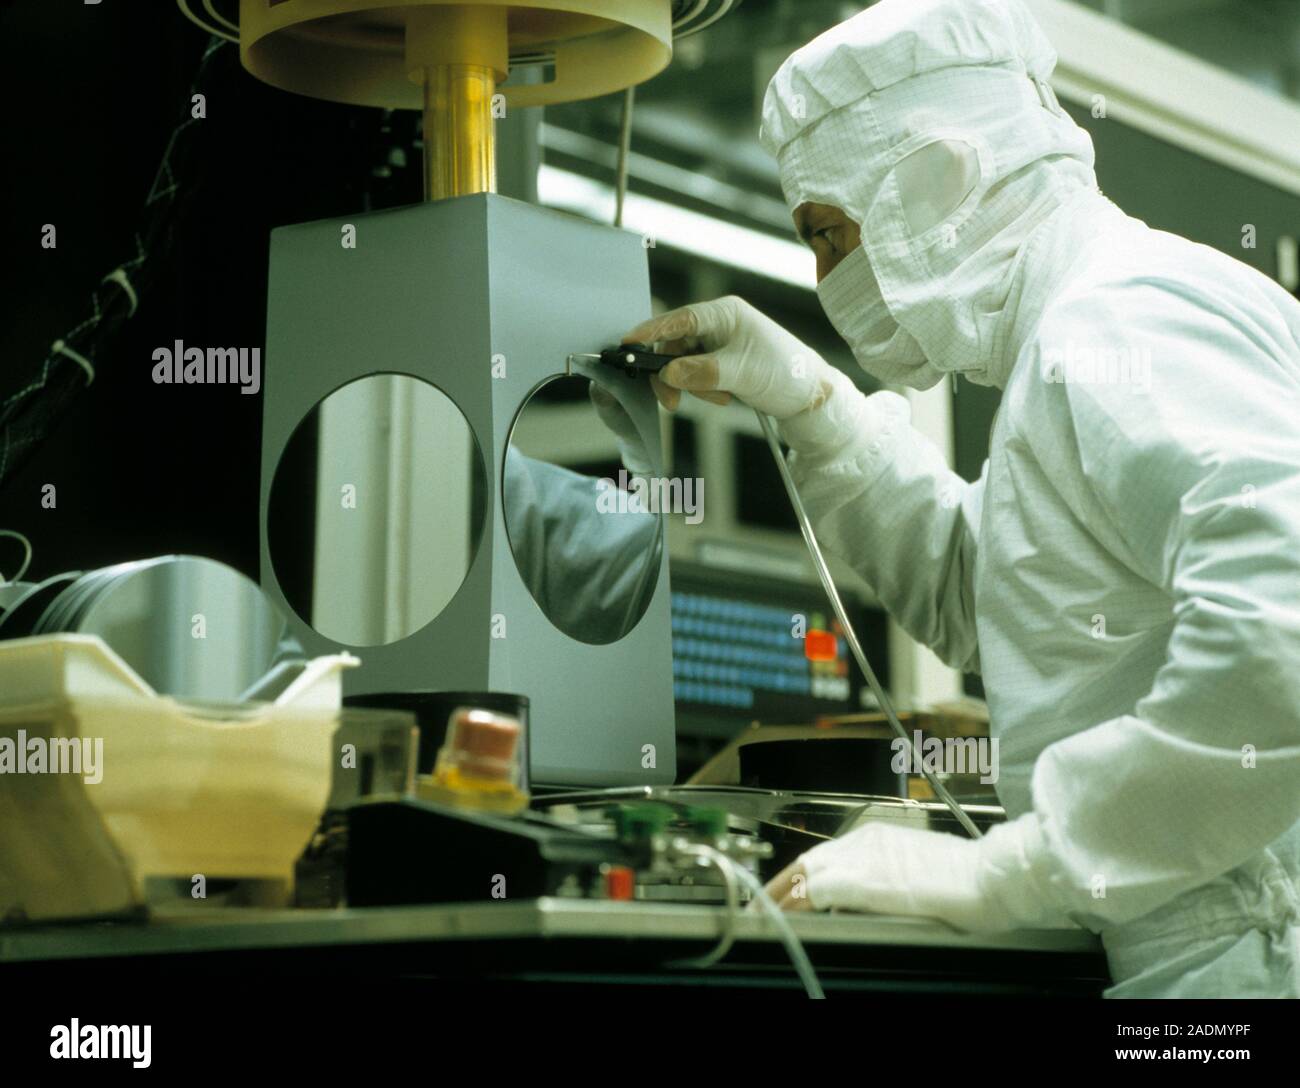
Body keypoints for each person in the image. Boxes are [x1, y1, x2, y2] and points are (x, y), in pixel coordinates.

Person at [622, 0, 1300, 998]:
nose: (825, 277)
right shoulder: (1078, 336)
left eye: (826, 233)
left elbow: (1280, 628)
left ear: (932, 180)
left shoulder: (1117, 323)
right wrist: (815, 409)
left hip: (1247, 953)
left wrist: (1005, 867)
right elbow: (1020, 603)